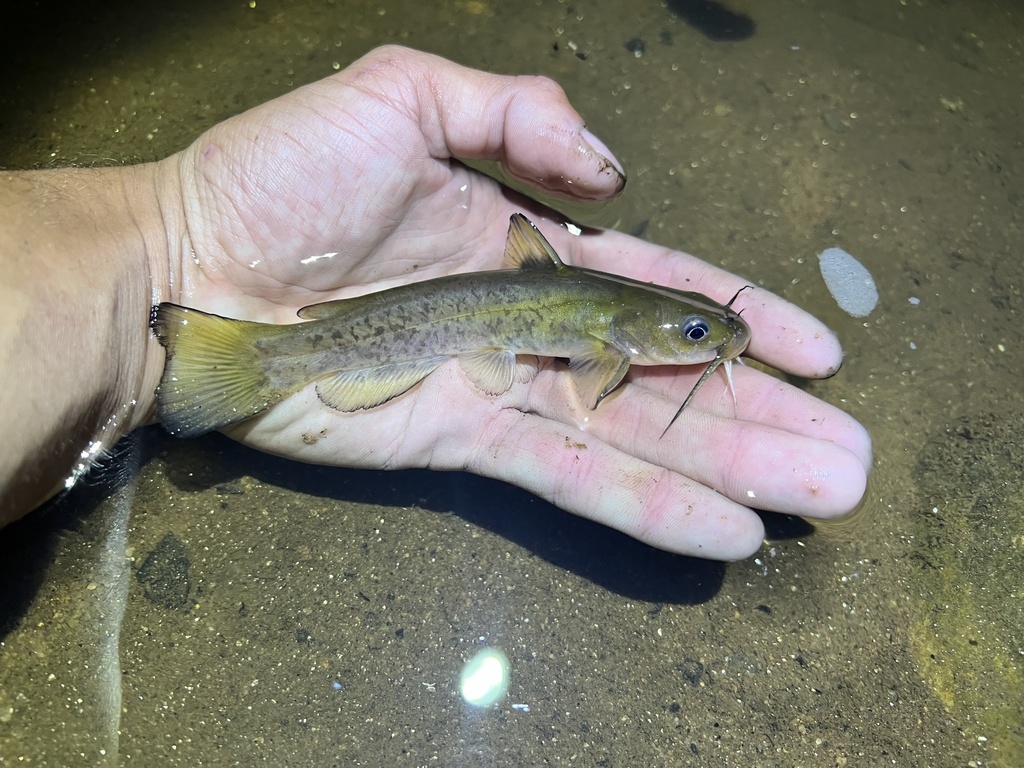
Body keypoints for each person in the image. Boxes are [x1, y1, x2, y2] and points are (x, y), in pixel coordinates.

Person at [0, 45, 870, 560]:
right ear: (629, 335)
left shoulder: (598, 321)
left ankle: (231, 360)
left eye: (698, 330)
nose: (703, 340)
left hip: (392, 327)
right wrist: (170, 244)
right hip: (377, 331)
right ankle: (242, 361)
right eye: (693, 328)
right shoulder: (605, 344)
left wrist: (162, 249)